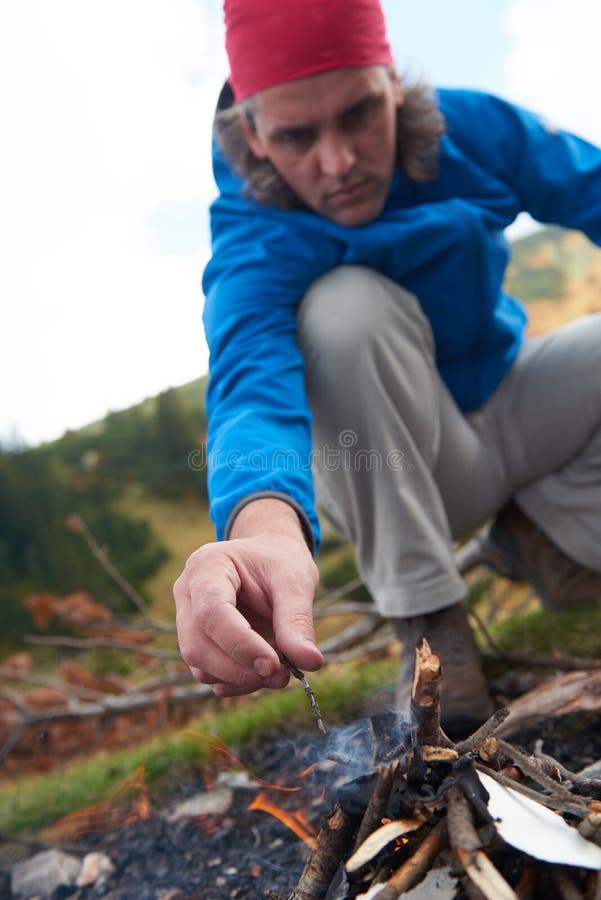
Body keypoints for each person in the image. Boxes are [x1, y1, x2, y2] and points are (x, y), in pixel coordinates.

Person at [173, 0, 601, 734]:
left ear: (392, 85)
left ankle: (544, 532)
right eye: (297, 135)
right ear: (252, 134)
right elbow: (251, 388)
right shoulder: (254, 235)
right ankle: (428, 616)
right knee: (342, 311)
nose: (337, 162)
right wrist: (264, 531)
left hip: (513, 403)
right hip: (410, 469)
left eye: (358, 113)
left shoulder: (472, 129)